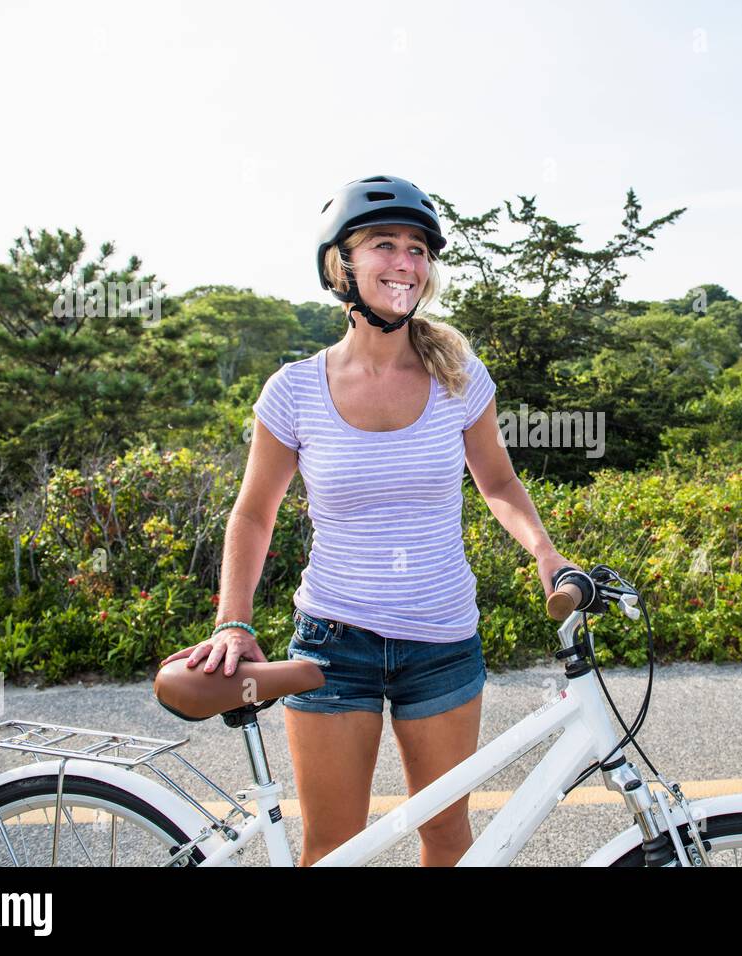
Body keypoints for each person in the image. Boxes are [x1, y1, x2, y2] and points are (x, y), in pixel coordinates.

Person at [159, 174, 580, 866]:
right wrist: (234, 619)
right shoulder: (295, 389)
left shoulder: (457, 375)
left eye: (418, 249)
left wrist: (545, 551)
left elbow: (498, 481)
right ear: (342, 266)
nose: (406, 263)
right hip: (333, 644)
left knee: (445, 835)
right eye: (385, 245)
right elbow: (254, 512)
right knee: (332, 847)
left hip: (442, 643)